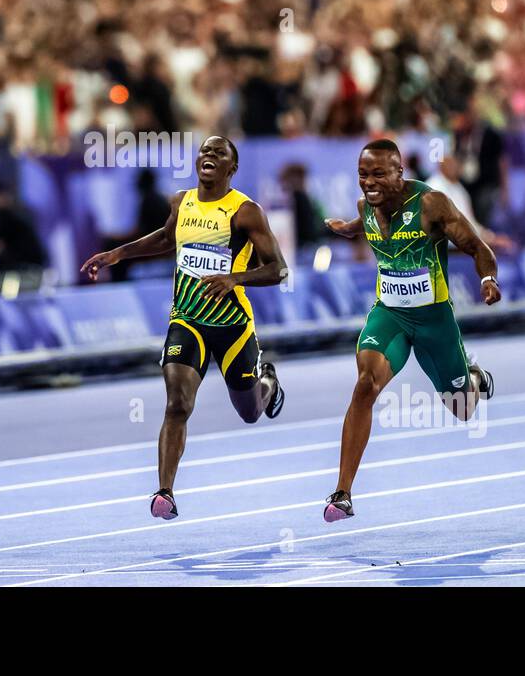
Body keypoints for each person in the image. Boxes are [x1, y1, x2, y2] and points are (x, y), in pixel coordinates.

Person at [81, 136, 287, 520]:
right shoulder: (181, 201)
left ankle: (268, 385)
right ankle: (165, 492)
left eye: (218, 153)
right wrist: (118, 253)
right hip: (186, 320)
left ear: (232, 168)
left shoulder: (246, 212)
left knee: (249, 411)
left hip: (232, 326)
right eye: (204, 151)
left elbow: (279, 269)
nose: (208, 155)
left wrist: (235, 279)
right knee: (177, 403)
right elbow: (165, 237)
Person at [322, 139, 500, 523]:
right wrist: (346, 229)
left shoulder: (431, 204)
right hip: (391, 316)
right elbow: (363, 224)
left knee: (462, 410)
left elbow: (477, 246)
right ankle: (342, 493)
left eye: (379, 174)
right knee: (365, 385)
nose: (369, 183)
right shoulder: (364, 207)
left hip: (434, 319)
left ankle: (472, 377)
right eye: (363, 175)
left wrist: (487, 278)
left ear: (399, 173)